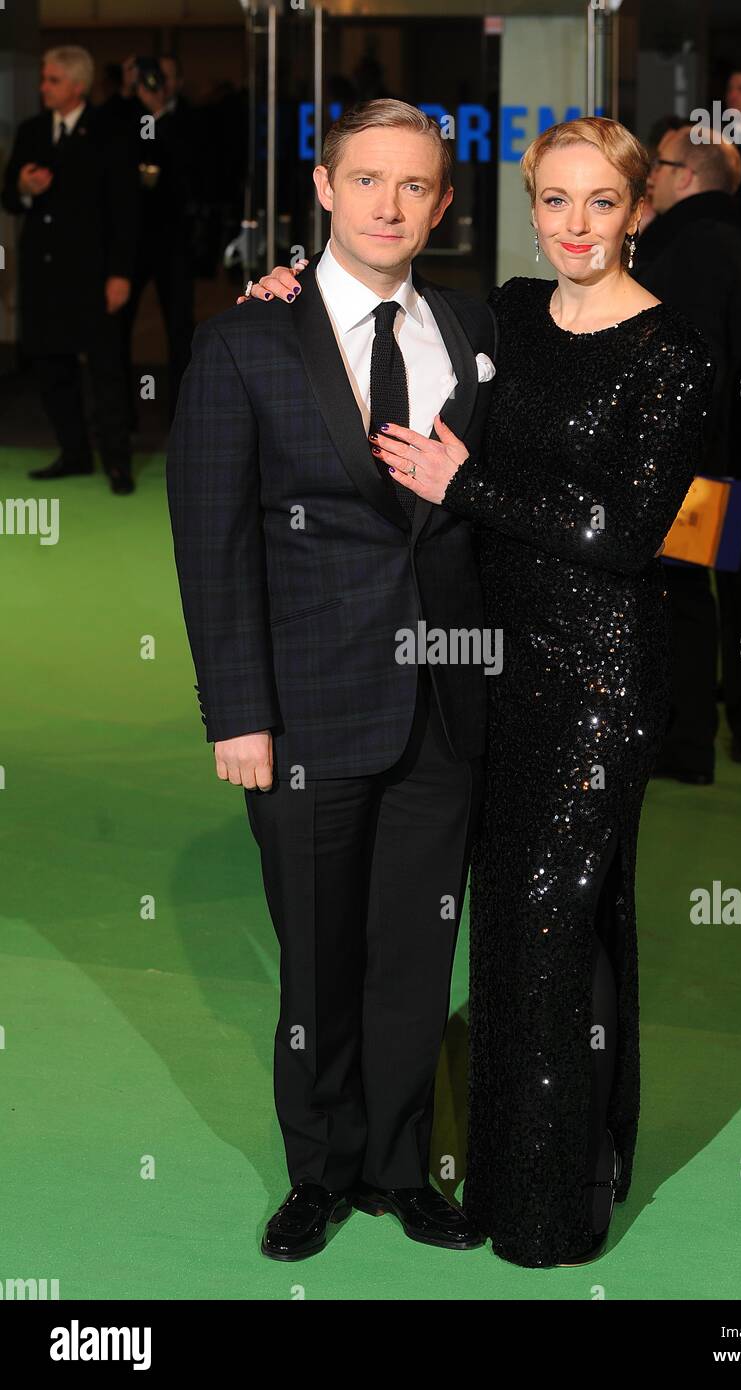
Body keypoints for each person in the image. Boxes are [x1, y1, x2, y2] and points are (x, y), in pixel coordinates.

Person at [250, 116, 715, 1267]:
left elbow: (626, 531)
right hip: (485, 676)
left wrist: (472, 485)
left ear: (636, 210)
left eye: (599, 203)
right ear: (526, 207)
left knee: (555, 923)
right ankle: (502, 1173)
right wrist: (291, 283)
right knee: (500, 933)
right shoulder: (501, 312)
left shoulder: (672, 348)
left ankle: (549, 1206)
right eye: (553, 201)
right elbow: (375, 301)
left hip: (597, 681)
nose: (574, 226)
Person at [167, 100, 496, 1262]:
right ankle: (319, 1170)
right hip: (303, 705)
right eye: (367, 180)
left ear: (443, 204)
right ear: (322, 185)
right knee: (318, 956)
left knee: (416, 954)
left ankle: (402, 1169)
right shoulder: (244, 341)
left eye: (414, 186)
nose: (389, 205)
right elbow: (212, 547)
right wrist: (238, 712)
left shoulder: (469, 330)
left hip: (446, 709)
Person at [635, 126, 741, 781]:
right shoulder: (717, 239)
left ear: (687, 175)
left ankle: (683, 743)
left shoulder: (699, 246)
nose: (650, 173)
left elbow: (685, 359)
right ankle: (684, 739)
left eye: (661, 163)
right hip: (706, 453)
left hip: (687, 460)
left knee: (681, 598)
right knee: (685, 595)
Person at [1, 46, 137, 493]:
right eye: (44, 79)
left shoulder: (110, 133)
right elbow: (8, 198)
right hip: (43, 274)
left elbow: (124, 210)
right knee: (50, 366)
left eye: (53, 80)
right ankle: (74, 452)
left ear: (77, 85)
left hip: (93, 274)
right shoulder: (31, 131)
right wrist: (22, 188)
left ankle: (117, 461)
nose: (43, 87)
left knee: (105, 369)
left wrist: (120, 274)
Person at [119, 57, 196, 423]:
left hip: (174, 238)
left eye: (163, 76)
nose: (154, 81)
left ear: (177, 81)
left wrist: (157, 114)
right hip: (131, 240)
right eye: (149, 75)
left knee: (180, 327)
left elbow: (189, 167)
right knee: (118, 325)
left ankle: (179, 413)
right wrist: (127, 91)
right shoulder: (126, 115)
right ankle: (122, 412)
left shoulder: (190, 119)